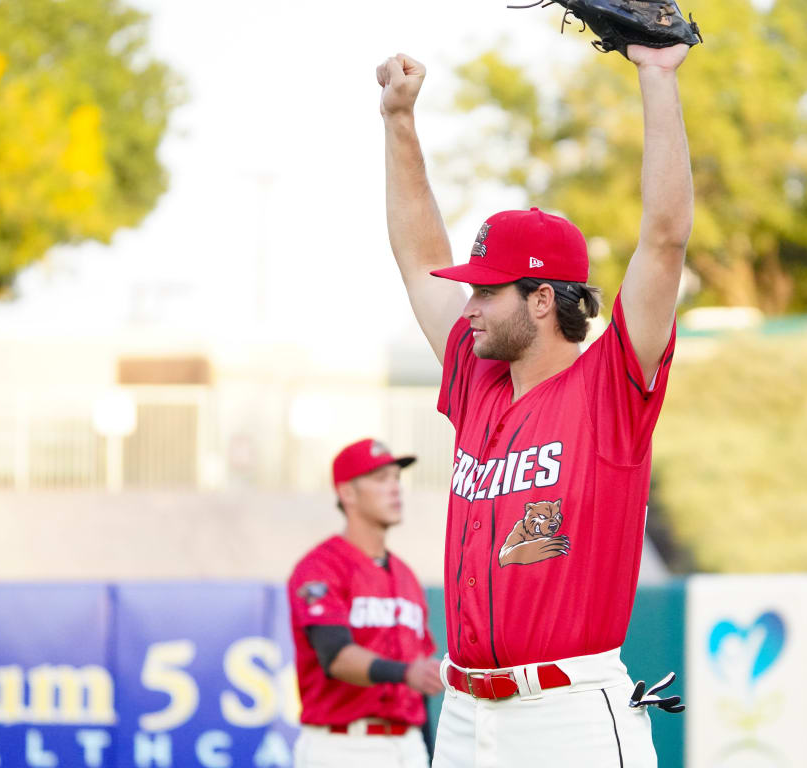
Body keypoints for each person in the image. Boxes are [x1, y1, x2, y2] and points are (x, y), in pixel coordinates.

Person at [376, 38, 692, 768]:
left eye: (489, 289)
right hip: (462, 714)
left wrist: (657, 76)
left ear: (544, 299)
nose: (472, 304)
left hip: (569, 714)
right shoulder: (477, 379)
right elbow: (418, 261)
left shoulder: (610, 386)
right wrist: (398, 123)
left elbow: (666, 238)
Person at [286, 438, 445, 768]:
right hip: (343, 745)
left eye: (396, 478)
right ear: (347, 493)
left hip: (409, 744)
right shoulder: (320, 568)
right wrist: (405, 672)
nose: (394, 489)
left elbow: (417, 681)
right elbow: (336, 657)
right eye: (380, 478)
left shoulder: (406, 576)